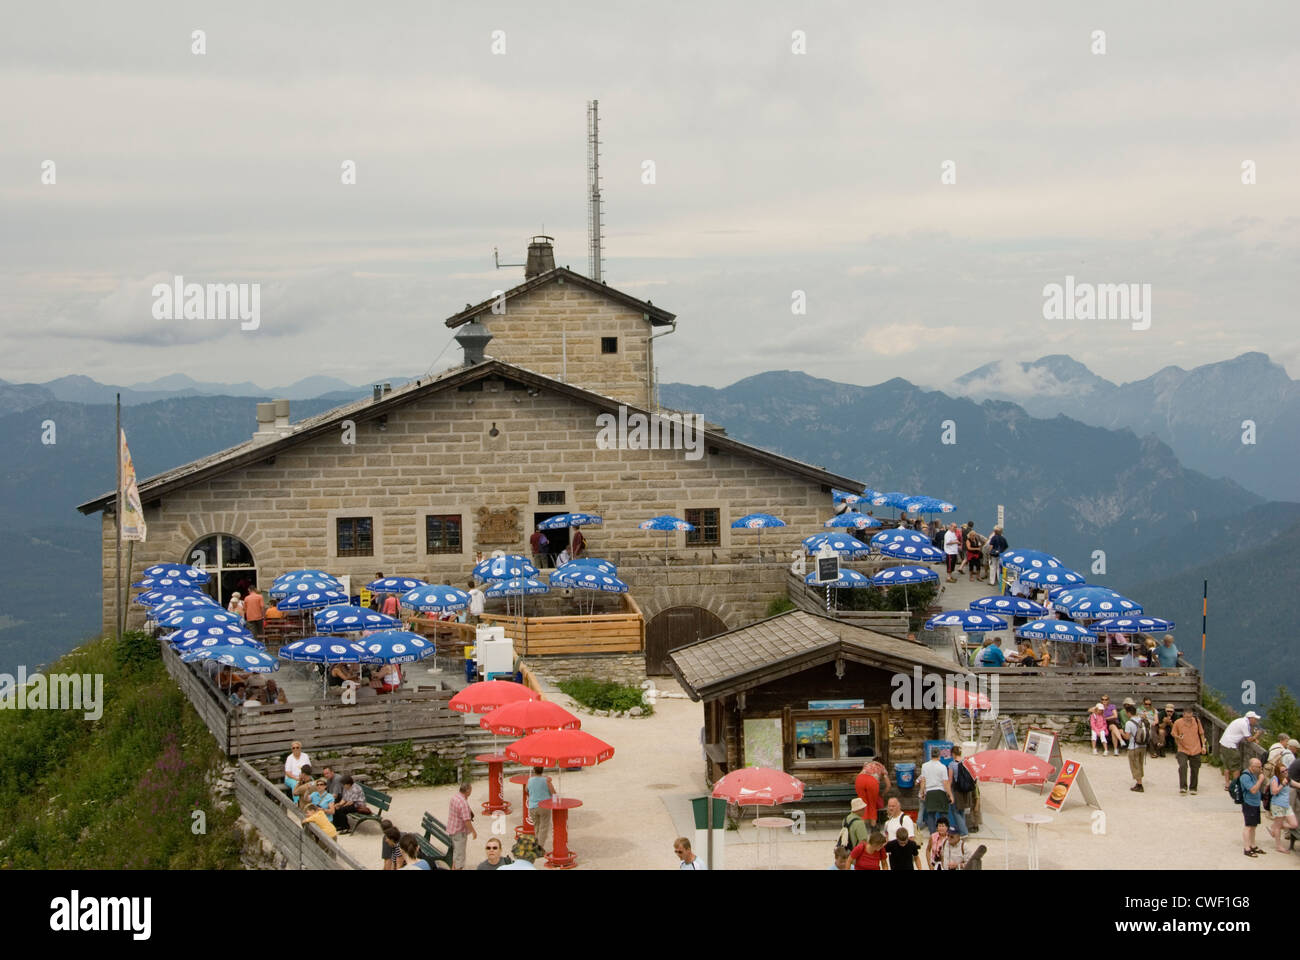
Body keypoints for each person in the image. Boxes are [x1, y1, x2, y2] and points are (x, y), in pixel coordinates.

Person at [1220, 711, 1262, 791]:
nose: (1256, 721)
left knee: (1227, 765)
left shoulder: (1240, 721)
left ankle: (1227, 784)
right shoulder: (1244, 724)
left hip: (1224, 743)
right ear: (1250, 718)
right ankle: (1236, 786)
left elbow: (1245, 736)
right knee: (1236, 767)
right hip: (1231, 745)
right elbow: (1249, 739)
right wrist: (1257, 734)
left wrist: (1254, 739)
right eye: (1255, 719)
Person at [1168, 706, 1205, 795]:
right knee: (1183, 766)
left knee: (1195, 769)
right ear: (1183, 715)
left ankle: (1193, 787)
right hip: (1182, 748)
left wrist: (1203, 746)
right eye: (1187, 717)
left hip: (1195, 748)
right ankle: (1183, 787)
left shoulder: (1196, 721)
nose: (1189, 719)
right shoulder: (1178, 722)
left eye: (1190, 717)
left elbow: (1201, 734)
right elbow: (1173, 733)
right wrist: (1178, 737)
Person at [918, 746, 953, 835]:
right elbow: (945, 783)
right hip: (940, 792)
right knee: (943, 814)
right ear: (939, 755)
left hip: (929, 792)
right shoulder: (942, 767)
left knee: (930, 814)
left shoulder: (924, 766)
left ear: (931, 755)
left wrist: (922, 792)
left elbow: (923, 780)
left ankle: (933, 834)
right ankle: (943, 832)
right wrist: (950, 795)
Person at [1268, 761, 1297, 852]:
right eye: (1283, 771)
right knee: (1278, 826)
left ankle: (1274, 827)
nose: (1285, 772)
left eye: (1286, 770)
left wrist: (1287, 781)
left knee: (1294, 824)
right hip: (1277, 805)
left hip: (1286, 805)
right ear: (1278, 772)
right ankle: (1278, 846)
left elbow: (1297, 784)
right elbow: (1274, 791)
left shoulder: (1288, 779)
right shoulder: (1275, 779)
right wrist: (1282, 784)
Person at [447, 782, 477, 870]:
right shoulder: (463, 802)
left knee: (456, 855)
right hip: (459, 832)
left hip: (452, 829)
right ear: (467, 790)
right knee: (460, 859)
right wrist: (473, 832)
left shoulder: (455, 797)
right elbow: (467, 821)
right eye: (471, 789)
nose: (471, 791)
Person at [1241, 757, 1267, 857]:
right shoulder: (1245, 776)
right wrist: (1260, 780)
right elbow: (1253, 790)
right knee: (1248, 826)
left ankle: (1253, 845)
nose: (1260, 769)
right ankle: (1247, 848)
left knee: (1254, 826)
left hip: (1255, 803)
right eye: (1258, 767)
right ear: (1252, 767)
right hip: (1249, 803)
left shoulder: (1254, 774)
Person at [527, 766, 555, 852]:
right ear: (543, 770)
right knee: (544, 827)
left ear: (534, 770)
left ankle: (536, 844)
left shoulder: (530, 780)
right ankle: (539, 847)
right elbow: (553, 792)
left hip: (532, 806)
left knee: (537, 826)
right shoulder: (546, 780)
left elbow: (526, 790)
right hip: (544, 806)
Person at [949, 743, 974, 835]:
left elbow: (950, 780)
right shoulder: (966, 762)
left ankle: (964, 832)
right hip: (966, 790)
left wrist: (948, 791)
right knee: (962, 810)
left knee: (955, 810)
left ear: (953, 754)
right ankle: (962, 829)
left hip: (957, 790)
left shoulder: (952, 764)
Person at [1122, 700, 1145, 792]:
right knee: (1140, 764)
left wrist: (1121, 733)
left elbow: (1127, 737)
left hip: (1133, 746)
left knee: (1134, 765)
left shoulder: (1129, 723)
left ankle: (1139, 784)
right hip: (1143, 745)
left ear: (1128, 713)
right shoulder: (1142, 720)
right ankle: (1139, 781)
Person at [854, 761, 882, 825]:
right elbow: (888, 785)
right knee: (872, 805)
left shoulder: (866, 764)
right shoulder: (881, 767)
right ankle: (873, 827)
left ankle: (862, 828)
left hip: (860, 779)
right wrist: (883, 793)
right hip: (872, 781)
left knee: (863, 804)